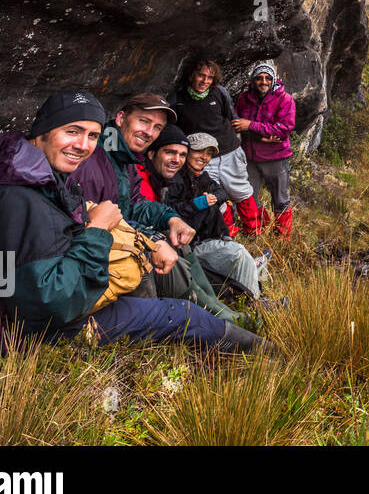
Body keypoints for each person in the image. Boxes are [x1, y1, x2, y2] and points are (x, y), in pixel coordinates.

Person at [0, 92, 264, 352]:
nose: (82, 145)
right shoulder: (17, 197)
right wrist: (97, 231)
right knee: (175, 314)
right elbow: (52, 304)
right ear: (43, 132)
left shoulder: (19, 174)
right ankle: (270, 358)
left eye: (92, 136)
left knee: (171, 291)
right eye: (72, 131)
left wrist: (149, 228)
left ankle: (239, 332)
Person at [72, 93, 238, 322]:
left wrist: (171, 219)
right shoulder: (93, 159)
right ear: (121, 118)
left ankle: (221, 311)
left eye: (157, 127)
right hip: (100, 255)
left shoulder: (122, 156)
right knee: (171, 261)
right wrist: (150, 238)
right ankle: (219, 321)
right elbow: (90, 222)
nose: (149, 132)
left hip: (116, 243)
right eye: (143, 121)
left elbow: (133, 203)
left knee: (180, 244)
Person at [144, 129, 263, 302]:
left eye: (208, 153)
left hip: (201, 240)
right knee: (238, 254)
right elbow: (168, 210)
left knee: (238, 256)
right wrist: (196, 204)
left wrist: (210, 199)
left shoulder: (201, 177)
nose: (204, 157)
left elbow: (222, 192)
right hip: (190, 245)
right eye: (199, 151)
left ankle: (253, 298)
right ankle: (255, 304)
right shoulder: (175, 177)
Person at [169, 58, 263, 236]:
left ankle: (254, 231)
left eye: (210, 77)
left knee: (240, 189)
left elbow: (231, 116)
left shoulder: (219, 93)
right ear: (191, 76)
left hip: (229, 151)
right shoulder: (178, 98)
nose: (205, 81)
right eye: (201, 76)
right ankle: (228, 231)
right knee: (209, 194)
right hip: (201, 157)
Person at [234, 61, 297, 237]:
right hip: (251, 158)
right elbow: (237, 124)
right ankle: (260, 229)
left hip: (277, 158)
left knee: (281, 200)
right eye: (259, 78)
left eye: (268, 78)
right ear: (253, 80)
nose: (264, 81)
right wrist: (259, 135)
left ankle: (282, 238)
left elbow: (283, 130)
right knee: (249, 197)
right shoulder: (243, 99)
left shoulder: (285, 100)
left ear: (274, 80)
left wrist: (251, 126)